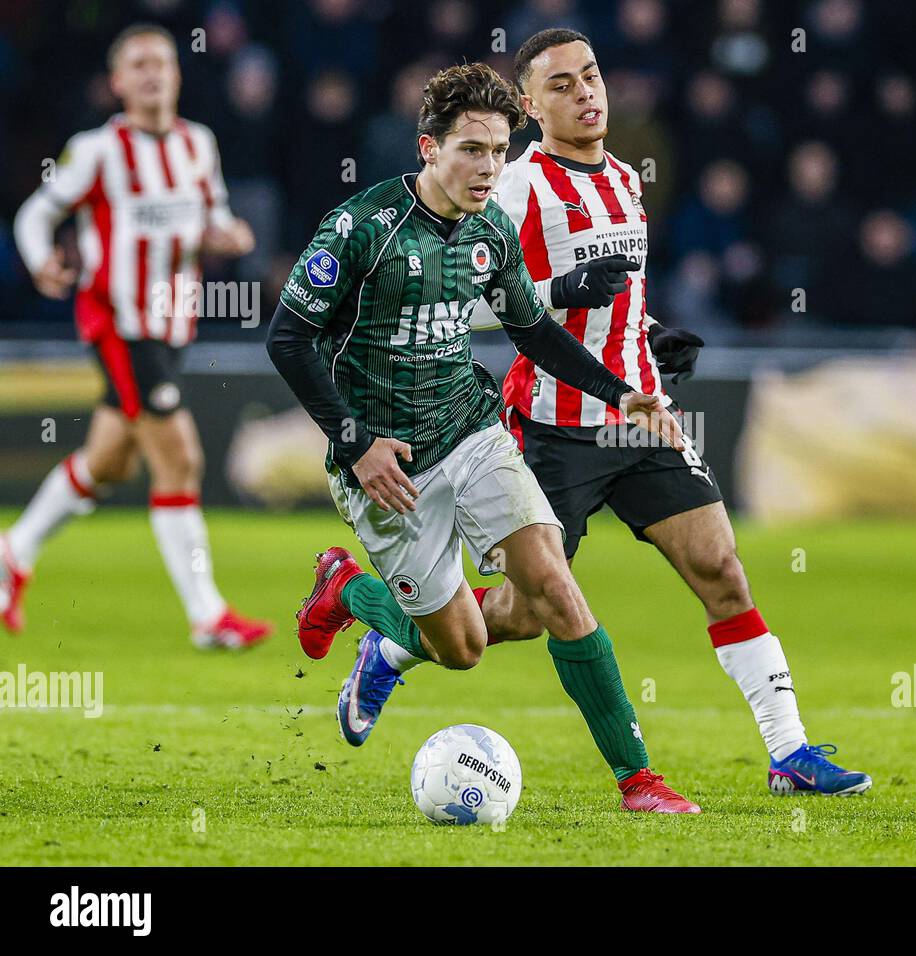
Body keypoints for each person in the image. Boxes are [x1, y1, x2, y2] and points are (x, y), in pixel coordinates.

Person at [266, 62, 699, 814]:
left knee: (555, 590)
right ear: (429, 148)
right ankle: (348, 589)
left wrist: (621, 391)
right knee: (459, 649)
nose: (488, 167)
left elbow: (531, 328)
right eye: (471, 149)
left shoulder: (492, 230)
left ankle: (640, 780)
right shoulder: (361, 227)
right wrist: (356, 442)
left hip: (472, 431)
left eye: (499, 150)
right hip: (384, 462)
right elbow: (287, 339)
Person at [470, 29, 872, 796]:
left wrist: (651, 336)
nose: (586, 92)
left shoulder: (625, 177)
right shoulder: (516, 188)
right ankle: (391, 636)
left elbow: (618, 302)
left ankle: (789, 753)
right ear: (528, 106)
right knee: (519, 616)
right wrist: (560, 294)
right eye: (561, 85)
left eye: (591, 75)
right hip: (553, 428)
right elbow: (470, 309)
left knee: (723, 570)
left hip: (640, 418)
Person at [3, 24, 270, 649]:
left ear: (177, 75)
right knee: (180, 458)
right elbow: (36, 213)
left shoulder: (197, 144)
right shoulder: (96, 150)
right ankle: (208, 616)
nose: (153, 74)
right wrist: (42, 260)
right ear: (118, 82)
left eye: (162, 63)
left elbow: (215, 214)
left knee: (109, 460)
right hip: (119, 323)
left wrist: (230, 235)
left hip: (172, 322)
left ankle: (13, 550)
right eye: (139, 64)